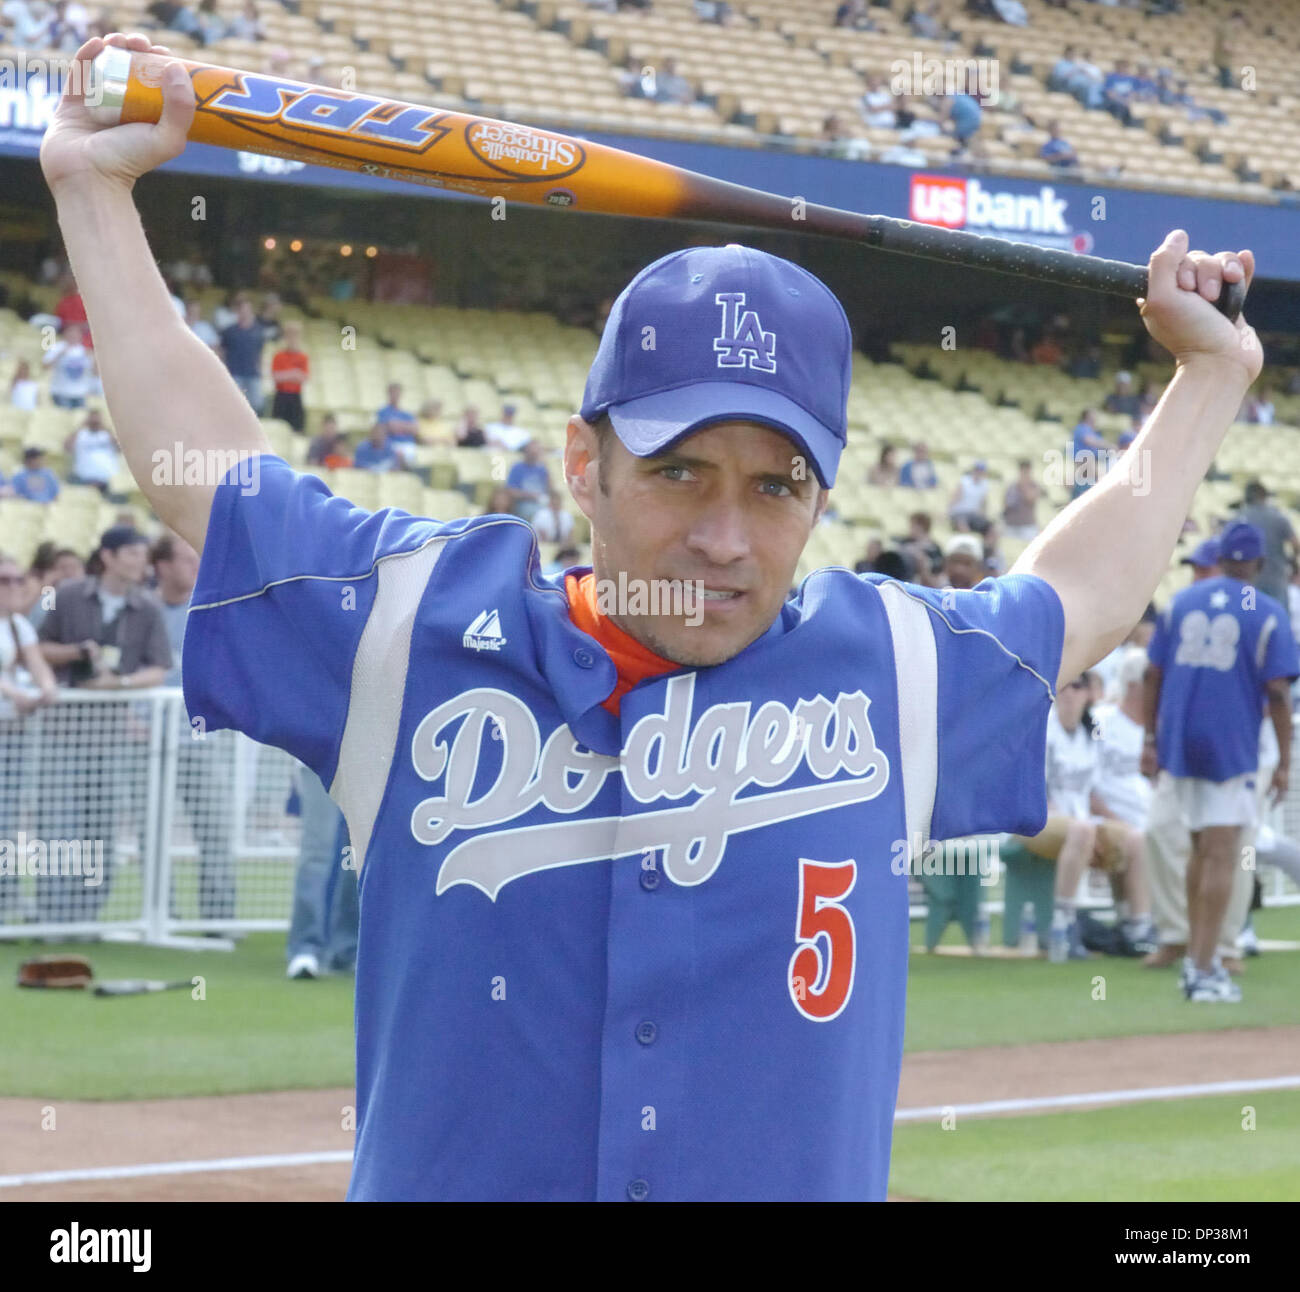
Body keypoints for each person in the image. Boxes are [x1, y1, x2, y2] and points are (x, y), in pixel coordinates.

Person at [41, 31, 1261, 1199]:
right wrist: (95, 196)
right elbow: (206, 473)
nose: (725, 537)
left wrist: (1208, 376)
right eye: (680, 470)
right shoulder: (413, 629)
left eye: (775, 486)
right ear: (586, 464)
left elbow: (1086, 594)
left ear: (820, 494)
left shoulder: (890, 665)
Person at [1143, 522, 1298, 1002]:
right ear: (1258, 563)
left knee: (1197, 849)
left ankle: (1196, 954)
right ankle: (1205, 967)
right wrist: (1285, 761)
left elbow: (1153, 673)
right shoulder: (1267, 611)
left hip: (1179, 742)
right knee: (1223, 853)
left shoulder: (1182, 602)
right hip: (1228, 745)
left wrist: (1150, 737)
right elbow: (1276, 691)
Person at [35, 525, 172, 923]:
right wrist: (76, 652)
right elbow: (39, 647)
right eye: (131, 552)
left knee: (100, 829)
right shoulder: (68, 595)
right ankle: (54, 917)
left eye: (143, 553)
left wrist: (120, 683)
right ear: (107, 556)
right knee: (57, 825)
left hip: (112, 735)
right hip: (63, 731)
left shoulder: (147, 607)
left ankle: (87, 915)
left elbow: (158, 669)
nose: (140, 561)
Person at [153, 532, 235, 922]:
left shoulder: (212, 608)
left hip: (201, 739)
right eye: (185, 558)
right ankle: (161, 914)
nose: (195, 564)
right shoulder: (143, 610)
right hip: (148, 738)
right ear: (162, 566)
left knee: (215, 829)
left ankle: (217, 918)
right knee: (152, 830)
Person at [0, 548, 59, 920]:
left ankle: (7, 895)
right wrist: (14, 693)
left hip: (12, 735)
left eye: (18, 579)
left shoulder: (18, 625)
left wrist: (47, 689)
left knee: (7, 818)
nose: (13, 587)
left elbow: (37, 665)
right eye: (4, 580)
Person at [287, 764, 359, 980]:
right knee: (317, 851)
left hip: (364, 757)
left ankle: (348, 948)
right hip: (318, 750)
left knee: (354, 855)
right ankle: (305, 948)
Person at [1234, 479, 1297, 605]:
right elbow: (1296, 544)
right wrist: (1292, 561)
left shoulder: (1239, 518)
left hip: (1249, 581)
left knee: (1249, 616)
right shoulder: (1278, 517)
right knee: (1279, 616)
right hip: (1276, 579)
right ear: (1264, 496)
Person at [219, 296, 267, 414]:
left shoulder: (259, 332)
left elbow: (260, 353)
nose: (245, 313)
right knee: (234, 405)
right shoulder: (229, 331)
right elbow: (222, 352)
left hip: (252, 373)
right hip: (235, 372)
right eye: (242, 310)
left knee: (256, 404)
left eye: (247, 310)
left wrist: (261, 371)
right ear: (238, 312)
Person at [64, 407, 120, 493]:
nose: (94, 422)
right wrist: (81, 427)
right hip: (83, 478)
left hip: (107, 479)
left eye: (97, 420)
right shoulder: (80, 434)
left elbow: (120, 449)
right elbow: (67, 447)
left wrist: (106, 429)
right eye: (92, 420)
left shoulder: (107, 435)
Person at [43, 321, 96, 408]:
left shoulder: (85, 351)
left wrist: (94, 358)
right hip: (61, 393)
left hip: (81, 394)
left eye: (76, 332)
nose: (73, 335)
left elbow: (95, 373)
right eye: (70, 332)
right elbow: (45, 366)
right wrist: (59, 355)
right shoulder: (56, 348)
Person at [269, 321, 309, 432]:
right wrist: (293, 373)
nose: (292, 339)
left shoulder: (303, 357)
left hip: (295, 396)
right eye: (289, 335)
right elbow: (276, 377)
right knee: (277, 428)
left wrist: (286, 375)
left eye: (295, 335)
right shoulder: (278, 356)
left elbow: (304, 377)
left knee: (297, 429)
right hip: (281, 395)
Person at [505, 439, 552, 524]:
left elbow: (550, 489)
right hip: (523, 505)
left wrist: (546, 466)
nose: (534, 454)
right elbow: (510, 490)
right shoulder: (517, 468)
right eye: (532, 451)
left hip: (541, 505)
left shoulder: (542, 469)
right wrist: (530, 496)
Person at [1002, 459, 1041, 540]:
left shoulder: (1034, 485)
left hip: (1027, 527)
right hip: (1011, 525)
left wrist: (1023, 485)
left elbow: (1030, 499)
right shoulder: (1012, 486)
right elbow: (1005, 504)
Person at [947, 459, 990, 531]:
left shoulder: (984, 484)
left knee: (987, 527)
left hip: (973, 514)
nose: (979, 472)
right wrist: (948, 511)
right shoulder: (964, 481)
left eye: (981, 471)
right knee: (963, 527)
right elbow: (956, 497)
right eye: (977, 470)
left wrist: (984, 515)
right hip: (960, 512)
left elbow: (983, 502)